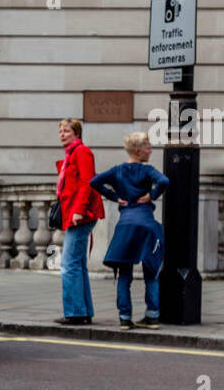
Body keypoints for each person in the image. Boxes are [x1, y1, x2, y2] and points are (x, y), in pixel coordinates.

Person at [90, 132, 168, 329]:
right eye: (148, 147)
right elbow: (164, 181)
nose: (151, 150)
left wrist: (114, 196)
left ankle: (125, 318)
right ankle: (152, 316)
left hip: (126, 226)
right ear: (138, 150)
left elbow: (94, 182)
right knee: (151, 273)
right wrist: (151, 195)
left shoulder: (118, 170)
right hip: (146, 224)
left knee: (124, 274)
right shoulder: (147, 170)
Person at [54, 118, 104, 325]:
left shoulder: (82, 152)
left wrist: (79, 210)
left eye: (67, 131)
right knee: (78, 264)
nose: (62, 134)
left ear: (76, 133)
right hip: (74, 215)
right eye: (61, 131)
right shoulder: (71, 154)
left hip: (80, 215)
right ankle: (82, 311)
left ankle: (75, 312)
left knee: (68, 265)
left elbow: (87, 182)